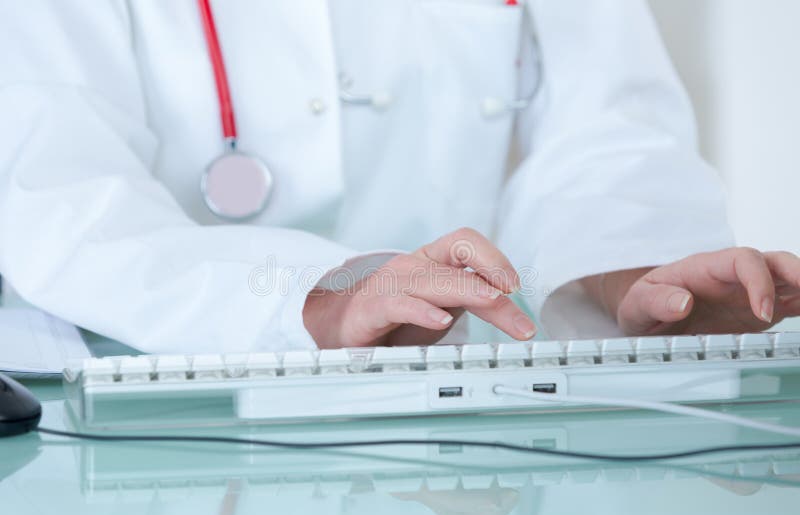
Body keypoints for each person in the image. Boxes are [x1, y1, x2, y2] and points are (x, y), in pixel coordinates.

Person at [0, 0, 798, 353]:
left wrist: (634, 274)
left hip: (456, 415)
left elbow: (605, 128)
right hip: (146, 408)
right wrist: (310, 299)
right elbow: (59, 195)